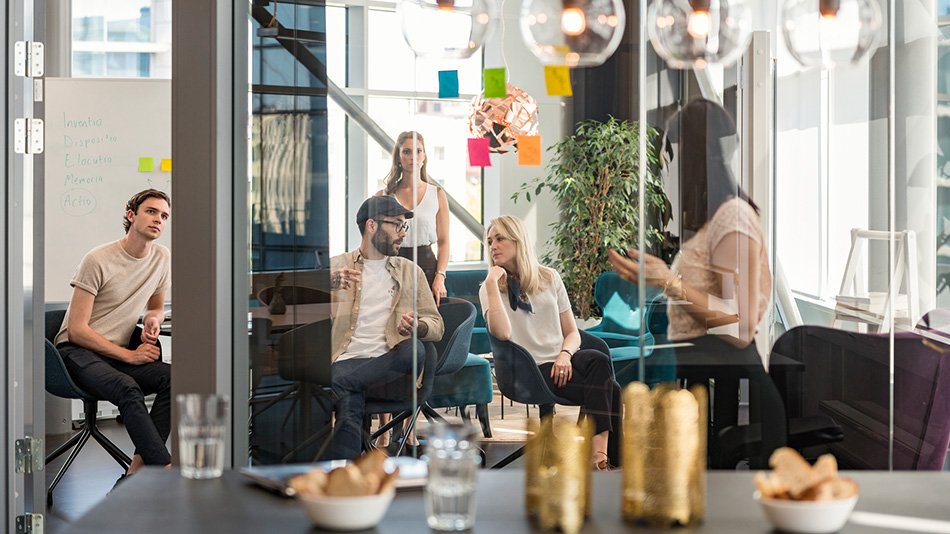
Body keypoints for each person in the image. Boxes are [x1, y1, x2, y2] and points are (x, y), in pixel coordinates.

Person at [607, 98, 785, 465]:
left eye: (671, 156)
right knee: (606, 390)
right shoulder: (712, 219)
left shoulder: (732, 217)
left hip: (726, 369)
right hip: (700, 371)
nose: (666, 169)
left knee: (610, 391)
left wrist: (669, 281)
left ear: (695, 155)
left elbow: (740, 327)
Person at [479, 215, 621, 470]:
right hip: (527, 369)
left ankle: (599, 455)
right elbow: (501, 334)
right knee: (611, 389)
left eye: (500, 239)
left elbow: (572, 332)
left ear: (518, 240)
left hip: (560, 361)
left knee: (599, 360)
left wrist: (565, 355)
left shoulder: (549, 277)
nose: (493, 246)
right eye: (490, 241)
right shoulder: (490, 288)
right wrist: (491, 283)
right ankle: (605, 459)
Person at [54, 189, 172, 477]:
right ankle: (164, 470)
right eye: (151, 211)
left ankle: (135, 472)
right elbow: (78, 330)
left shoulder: (161, 257)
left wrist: (152, 320)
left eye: (164, 215)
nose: (158, 219)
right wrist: (130, 356)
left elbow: (156, 306)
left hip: (116, 354)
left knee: (176, 379)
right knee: (127, 388)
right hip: (77, 352)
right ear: (131, 215)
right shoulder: (97, 259)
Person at [329, 195, 444, 459]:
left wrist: (419, 326)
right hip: (346, 360)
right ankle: (346, 474)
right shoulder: (337, 267)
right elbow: (284, 293)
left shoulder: (409, 271)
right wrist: (327, 283)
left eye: (405, 226)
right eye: (397, 225)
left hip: (390, 365)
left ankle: (339, 387)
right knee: (349, 410)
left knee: (414, 350)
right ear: (371, 225)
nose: (403, 233)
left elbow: (437, 325)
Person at [375, 131, 450, 447]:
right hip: (392, 264)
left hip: (428, 265)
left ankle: (406, 426)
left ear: (424, 155)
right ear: (399, 156)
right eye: (406, 151)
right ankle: (383, 426)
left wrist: (440, 276)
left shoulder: (437, 193)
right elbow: (375, 239)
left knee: (416, 341)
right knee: (388, 341)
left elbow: (445, 241)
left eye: (418, 150)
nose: (412, 156)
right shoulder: (385, 194)